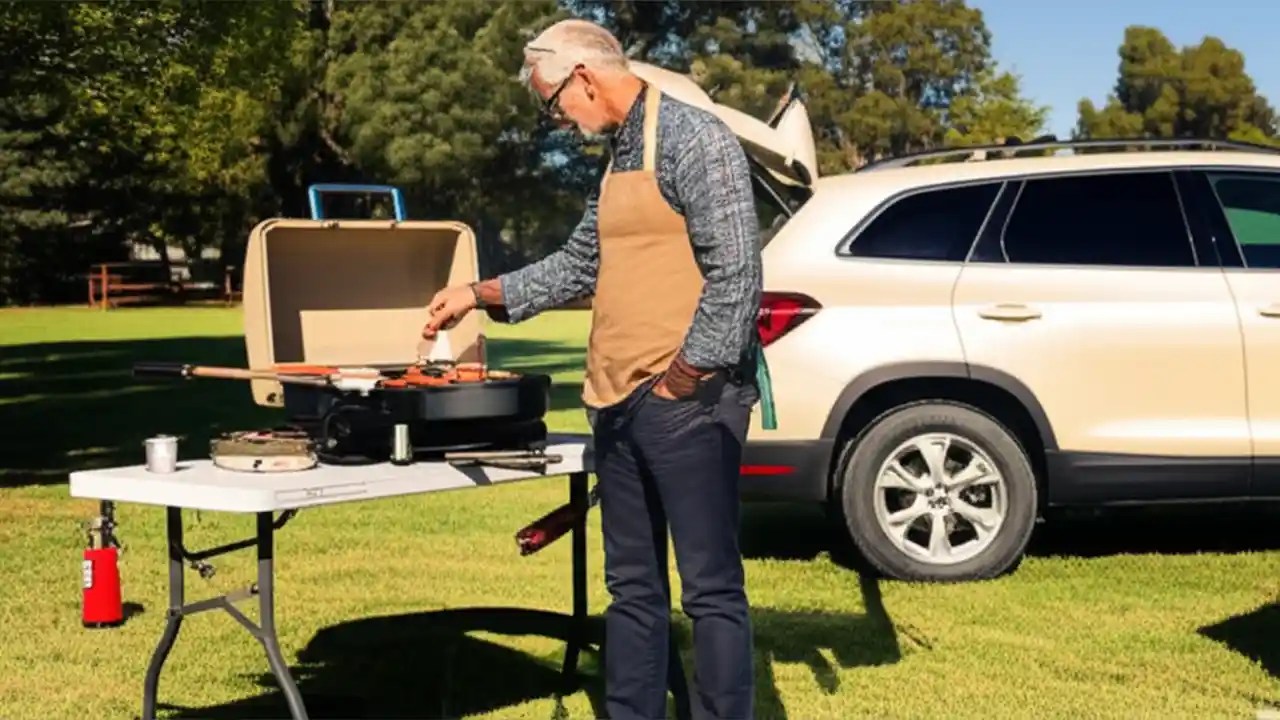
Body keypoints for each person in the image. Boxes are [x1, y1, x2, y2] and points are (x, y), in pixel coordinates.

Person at [422, 18, 762, 720]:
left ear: (583, 76)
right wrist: (477, 295)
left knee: (709, 591)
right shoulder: (619, 153)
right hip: (615, 403)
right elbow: (581, 262)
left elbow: (738, 272)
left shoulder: (698, 139)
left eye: (553, 104)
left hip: (688, 401)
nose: (559, 120)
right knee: (632, 591)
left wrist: (685, 379)